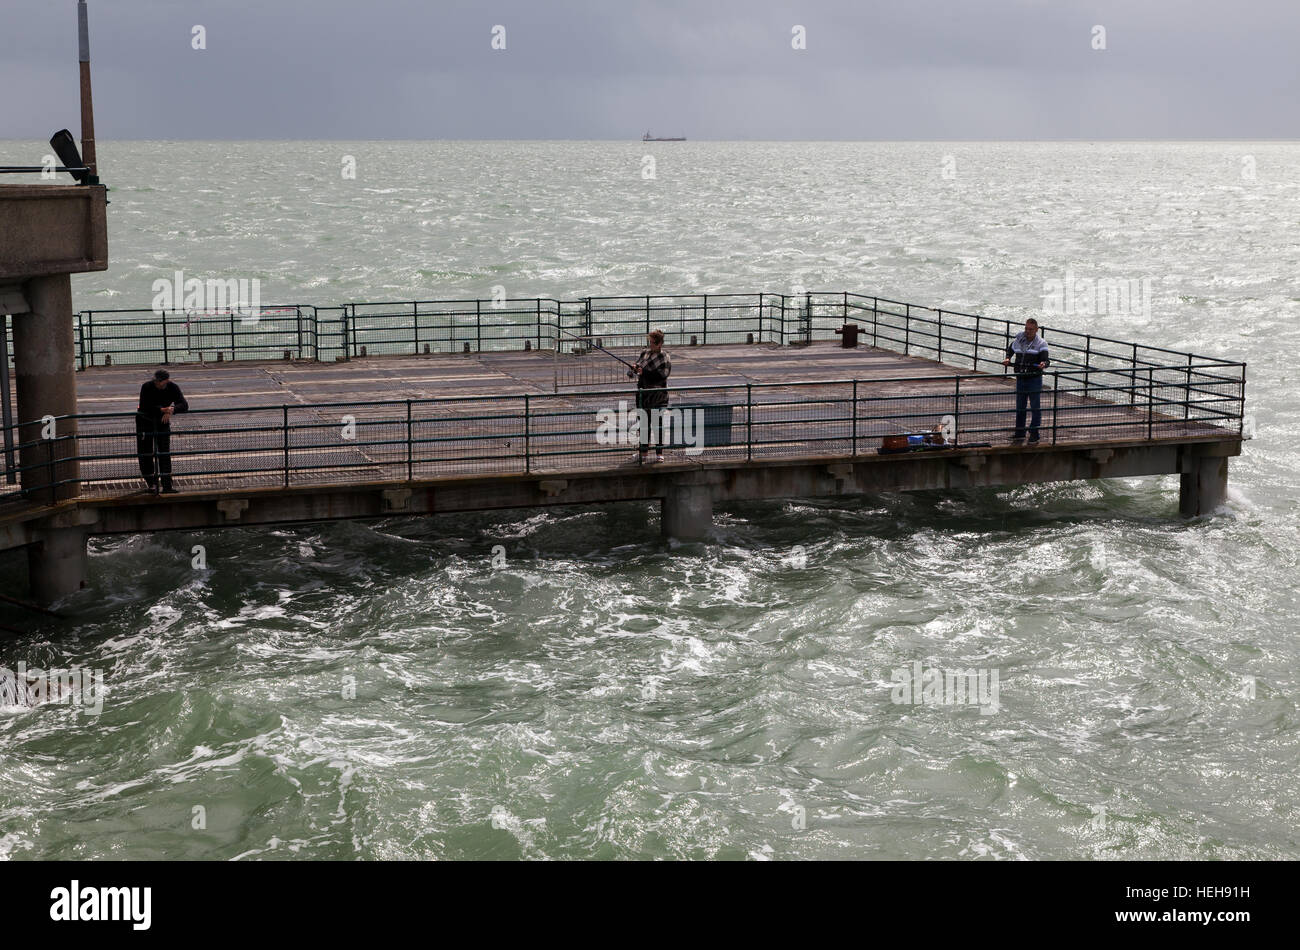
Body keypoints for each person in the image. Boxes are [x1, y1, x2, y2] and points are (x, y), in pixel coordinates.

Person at [137, 369, 189, 493]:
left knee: (164, 453)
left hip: (162, 422)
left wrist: (171, 409)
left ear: (166, 380)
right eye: (156, 381)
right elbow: (144, 406)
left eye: (160, 381)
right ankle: (151, 483)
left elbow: (184, 405)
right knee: (145, 453)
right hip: (145, 421)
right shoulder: (146, 387)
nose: (157, 383)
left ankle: (167, 485)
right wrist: (162, 410)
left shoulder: (173, 387)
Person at [1002, 318, 1049, 443]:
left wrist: (1043, 364)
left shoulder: (1041, 343)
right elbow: (1010, 349)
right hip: (1020, 378)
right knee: (1020, 407)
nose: (1027, 331)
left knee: (1035, 408)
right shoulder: (1019, 339)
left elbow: (1045, 360)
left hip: (1034, 380)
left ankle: (1034, 434)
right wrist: (1007, 358)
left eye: (1030, 329)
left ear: (1036, 330)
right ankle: (1020, 432)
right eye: (1026, 328)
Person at [628, 329, 671, 463]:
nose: (651, 345)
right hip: (643, 396)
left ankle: (659, 453)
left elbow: (662, 375)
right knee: (643, 424)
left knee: (657, 425)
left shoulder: (664, 357)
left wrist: (644, 372)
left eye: (653, 343)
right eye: (650, 342)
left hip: (658, 396)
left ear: (660, 343)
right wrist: (634, 369)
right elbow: (636, 369)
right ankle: (643, 453)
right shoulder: (644, 353)